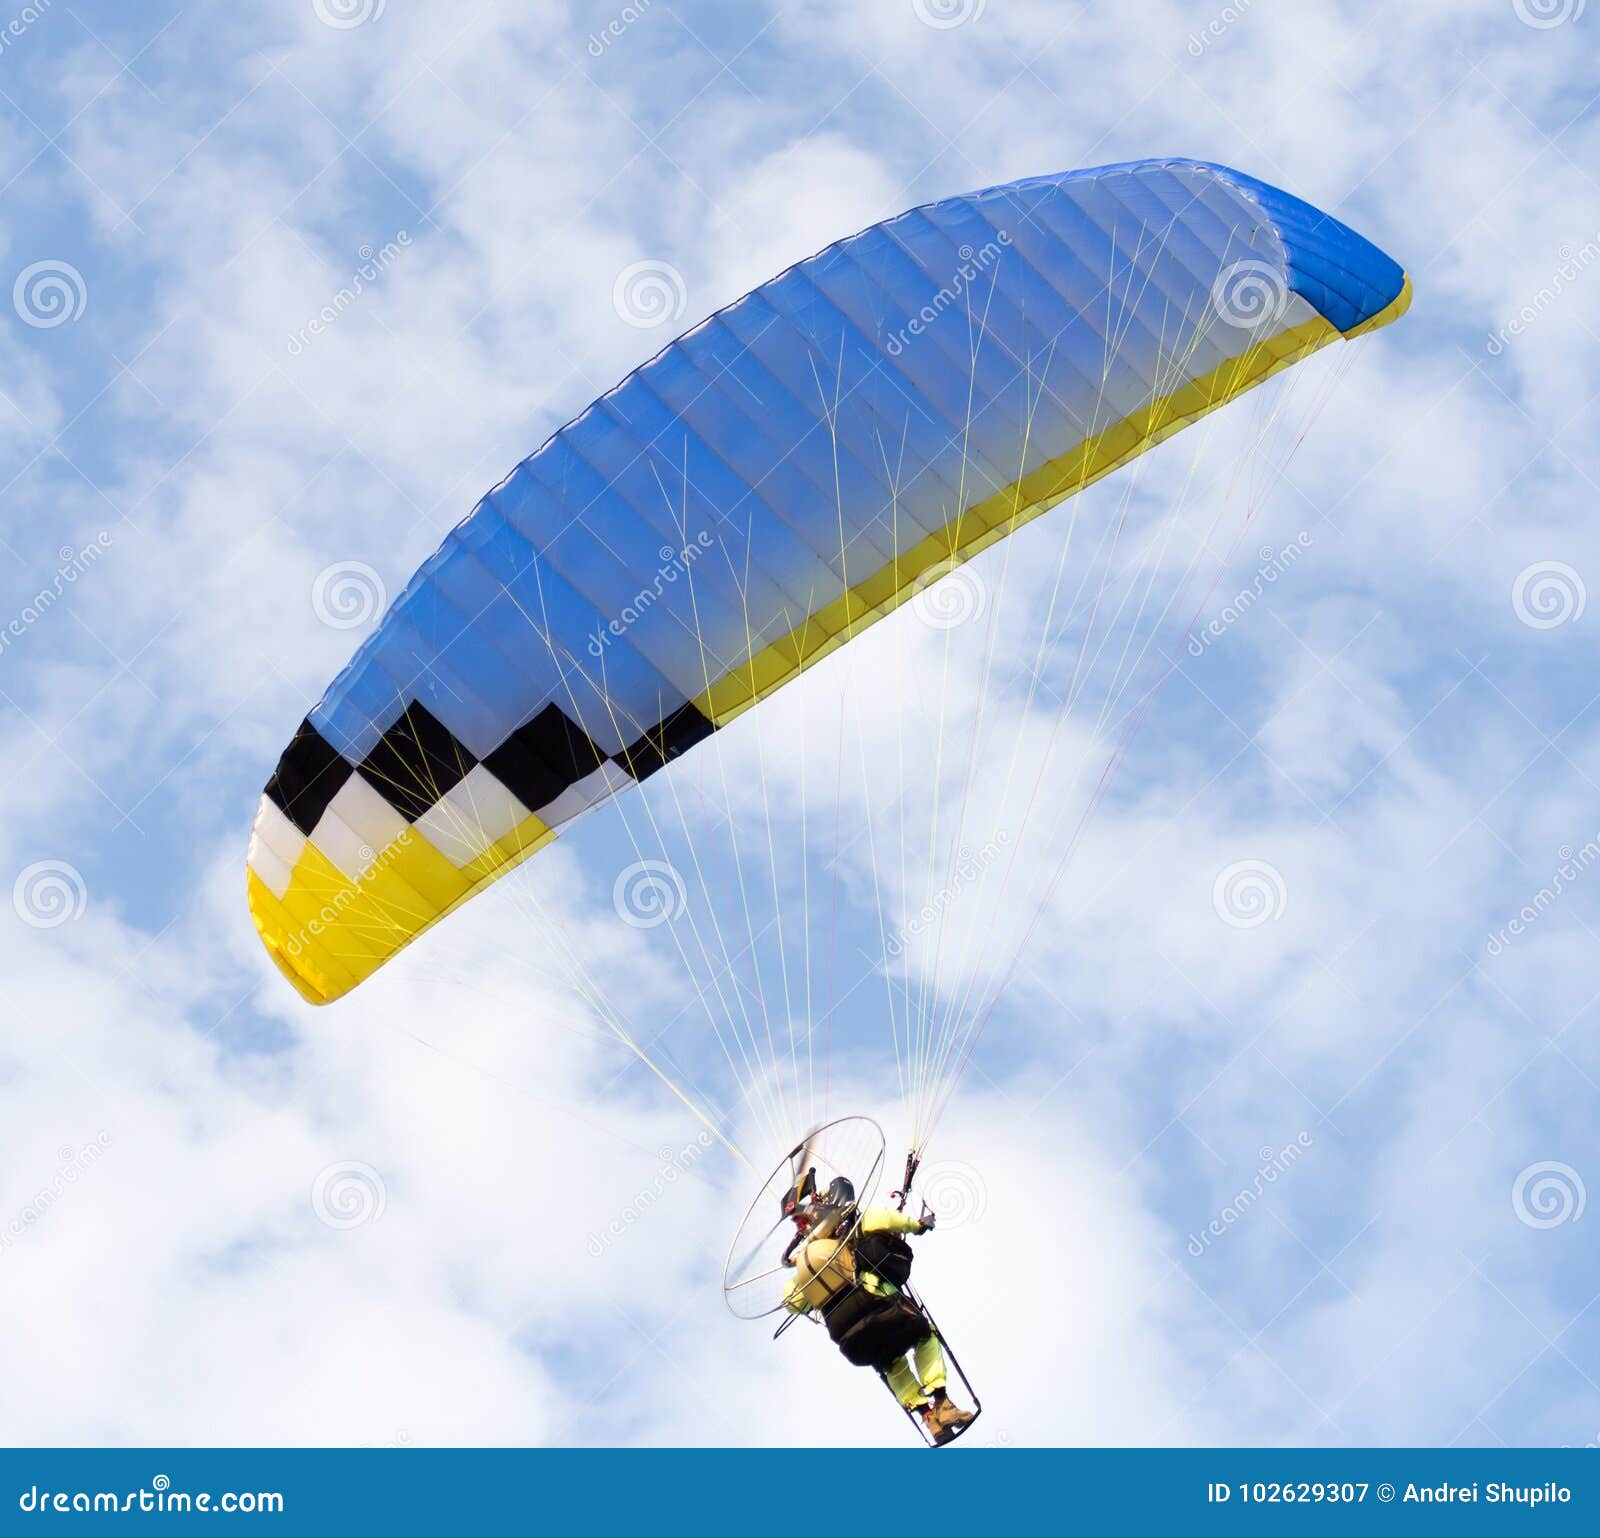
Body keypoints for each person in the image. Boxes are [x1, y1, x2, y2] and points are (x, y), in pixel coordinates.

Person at [784, 1176, 975, 1443]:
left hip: (851, 1342)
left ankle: (928, 1418)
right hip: (883, 1308)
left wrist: (803, 1267)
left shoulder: (808, 1262)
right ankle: (942, 1402)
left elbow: (791, 1302)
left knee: (890, 1362)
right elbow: (891, 1220)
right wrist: (919, 1226)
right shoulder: (860, 1223)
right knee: (924, 1335)